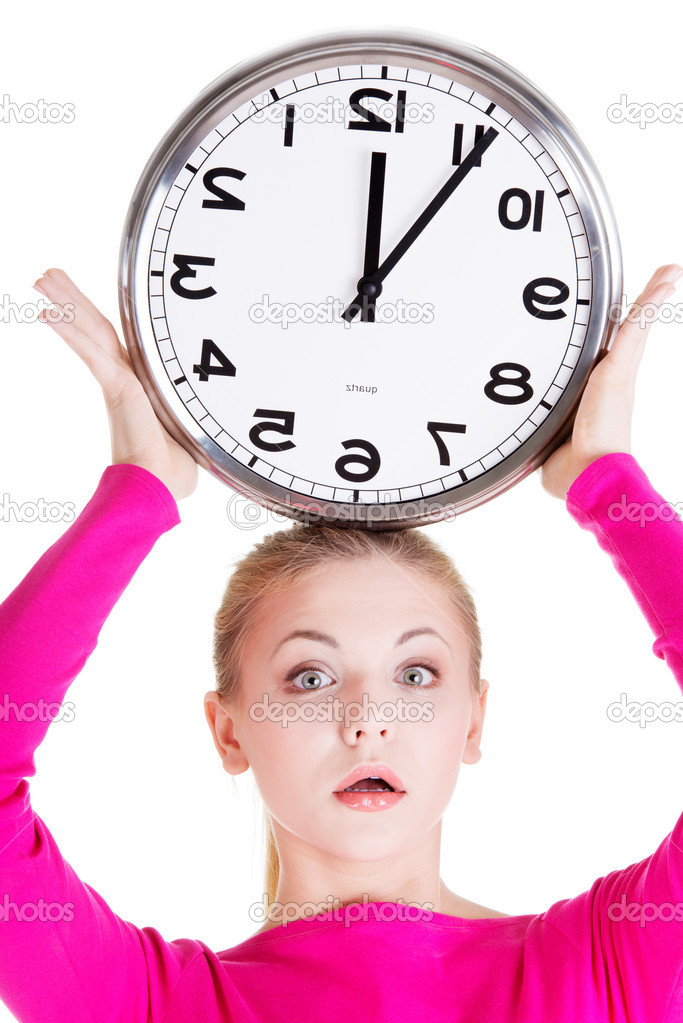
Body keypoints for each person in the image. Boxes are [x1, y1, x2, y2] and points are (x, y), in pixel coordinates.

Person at [0, 264, 681, 1022]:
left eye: (415, 674)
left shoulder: (603, 967)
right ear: (228, 731)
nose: (367, 719)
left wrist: (608, 482)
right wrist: (138, 489)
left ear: (474, 720)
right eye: (310, 677)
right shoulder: (157, 1006)